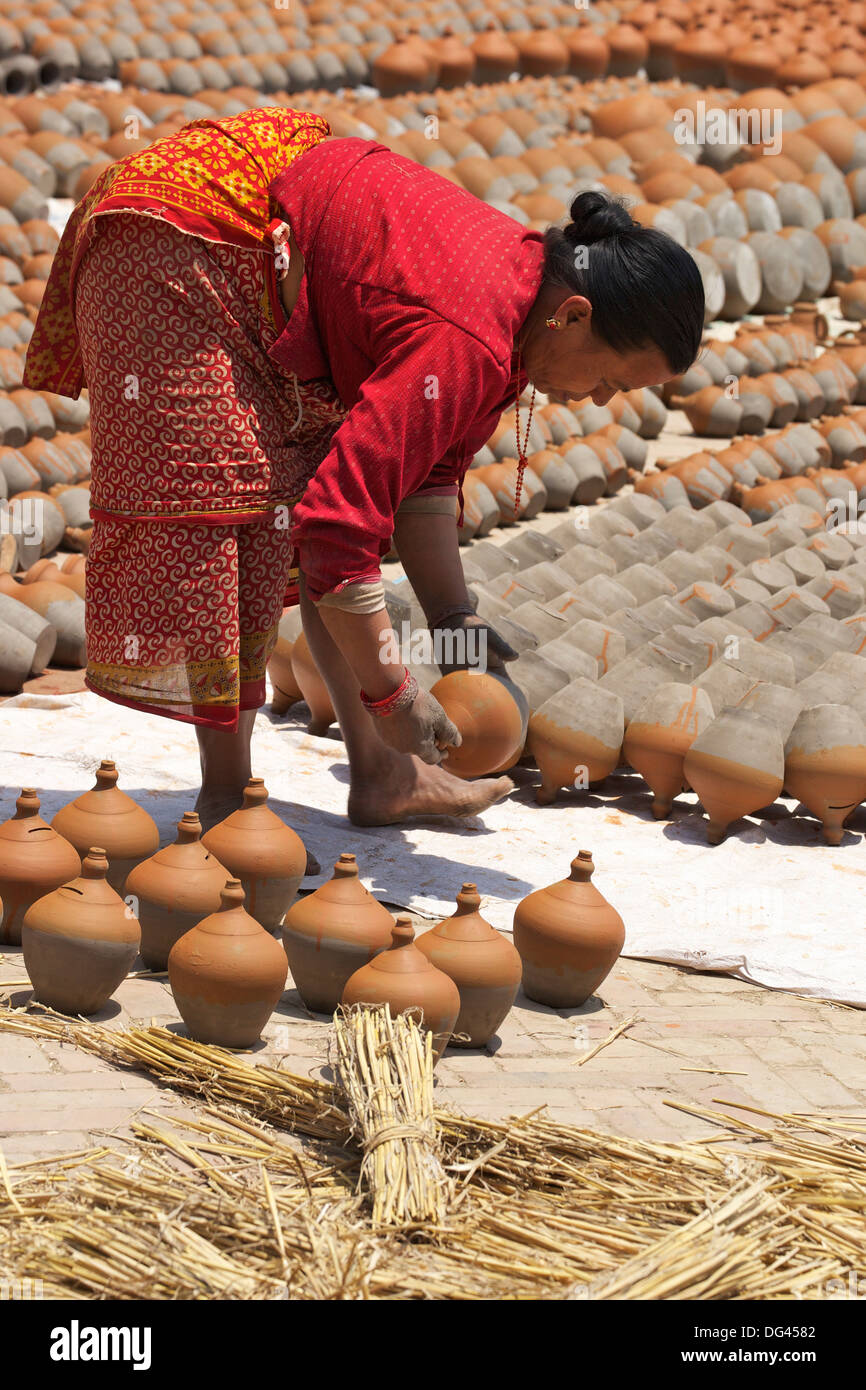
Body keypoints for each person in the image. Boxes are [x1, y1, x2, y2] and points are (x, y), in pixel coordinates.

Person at [25, 106, 704, 830]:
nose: (600, 399)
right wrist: (393, 692)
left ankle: (384, 778)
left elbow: (423, 481)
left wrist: (452, 617)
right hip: (177, 238)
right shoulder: (469, 335)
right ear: (572, 315)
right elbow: (338, 529)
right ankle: (227, 802)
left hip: (264, 244)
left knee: (315, 493)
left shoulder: (517, 312)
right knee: (238, 510)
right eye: (613, 380)